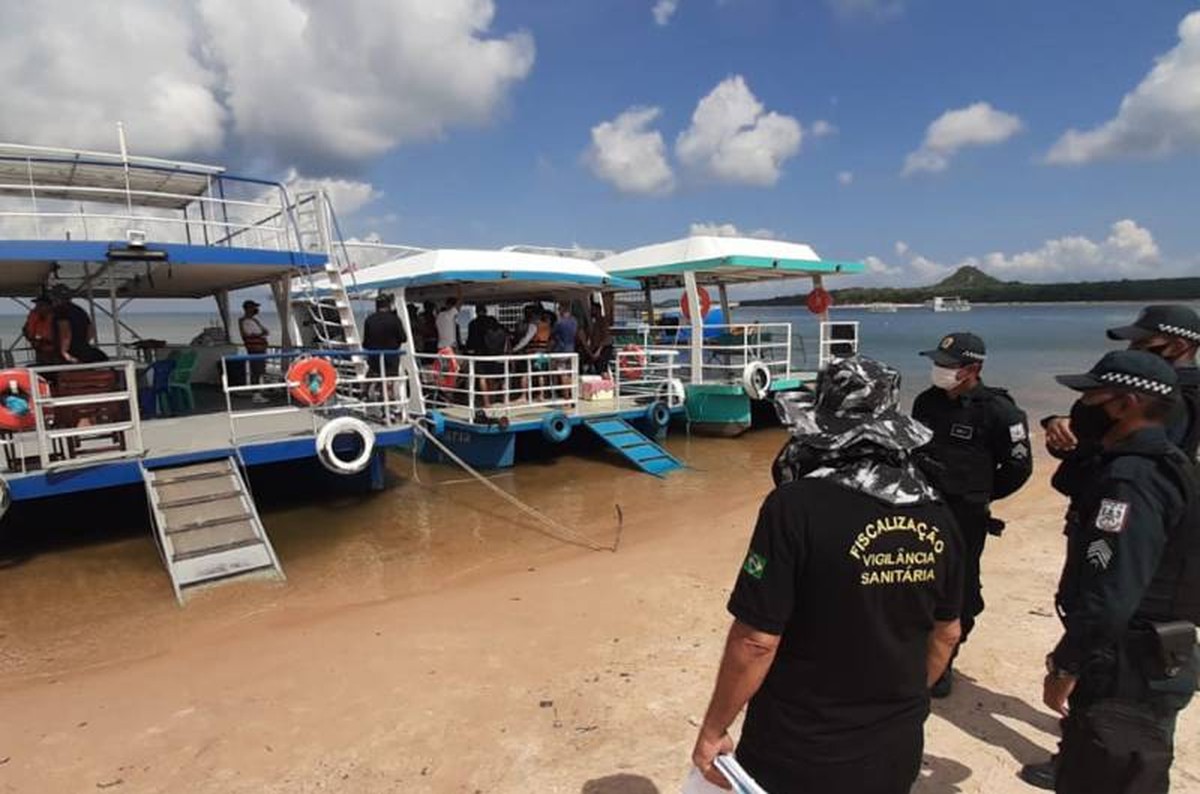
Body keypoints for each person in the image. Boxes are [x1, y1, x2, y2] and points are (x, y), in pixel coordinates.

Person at [691, 356, 964, 794]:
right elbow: (946, 634)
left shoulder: (795, 508)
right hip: (895, 746)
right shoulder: (939, 514)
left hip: (801, 747)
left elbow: (756, 641)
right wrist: (903, 703)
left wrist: (713, 729)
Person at [1032, 351, 1198, 794]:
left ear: (1126, 404)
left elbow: (1111, 593)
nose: (1082, 408)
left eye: (1092, 397)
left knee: (1107, 772)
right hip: (1154, 652)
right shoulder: (1169, 463)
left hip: (1127, 658)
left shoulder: (1131, 482)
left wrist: (1065, 665)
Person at [912, 332, 1033, 697]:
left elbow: (1018, 467)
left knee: (960, 588)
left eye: (948, 366)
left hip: (965, 516)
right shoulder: (926, 402)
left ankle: (945, 660)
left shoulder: (1000, 411)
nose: (940, 370)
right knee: (917, 579)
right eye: (938, 363)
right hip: (923, 506)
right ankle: (917, 648)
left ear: (973, 369)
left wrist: (978, 494)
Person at [1045, 305, 1200, 463]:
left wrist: (1070, 430)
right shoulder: (1166, 389)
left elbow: (1101, 445)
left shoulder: (1169, 397)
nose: (1130, 351)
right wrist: (1062, 424)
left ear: (1177, 347)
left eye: (1140, 344)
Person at [361, 294, 406, 406]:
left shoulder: (369, 320)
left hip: (375, 359)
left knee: (373, 374)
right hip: (391, 359)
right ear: (388, 305)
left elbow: (365, 343)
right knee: (388, 385)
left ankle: (364, 393)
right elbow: (403, 338)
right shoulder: (395, 320)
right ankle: (387, 409)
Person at [465, 304, 508, 408]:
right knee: (492, 377)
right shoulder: (492, 322)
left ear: (476, 312)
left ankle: (486, 402)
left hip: (479, 353)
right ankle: (495, 399)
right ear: (486, 311)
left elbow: (470, 341)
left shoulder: (472, 324)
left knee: (482, 378)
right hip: (493, 353)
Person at [50, 285, 105, 364]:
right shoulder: (80, 310)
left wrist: (64, 352)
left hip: (71, 352)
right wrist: (83, 343)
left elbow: (65, 333)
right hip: (84, 349)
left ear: (54, 298)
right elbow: (91, 331)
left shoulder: (60, 311)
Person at [238, 299, 270, 404]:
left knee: (259, 371)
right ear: (248, 308)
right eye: (254, 307)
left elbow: (265, 332)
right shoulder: (246, 321)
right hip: (255, 350)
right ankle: (256, 394)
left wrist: (263, 333)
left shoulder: (253, 320)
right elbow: (260, 332)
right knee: (256, 371)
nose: (257, 309)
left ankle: (258, 392)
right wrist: (262, 333)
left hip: (259, 349)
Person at [550, 303, 578, 398]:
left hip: (561, 351)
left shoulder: (559, 323)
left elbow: (552, 335)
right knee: (570, 373)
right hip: (571, 350)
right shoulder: (574, 321)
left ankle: (566, 397)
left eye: (559, 310)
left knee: (562, 374)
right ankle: (571, 395)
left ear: (562, 310)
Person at [22, 295, 57, 365]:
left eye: (41, 305)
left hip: (53, 352)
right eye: (37, 305)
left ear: (49, 306)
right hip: (39, 350)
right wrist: (33, 340)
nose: (37, 308)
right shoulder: (34, 317)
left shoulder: (56, 318)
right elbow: (25, 330)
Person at [587, 302, 614, 376]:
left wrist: (598, 350)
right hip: (600, 347)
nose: (591, 311)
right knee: (599, 368)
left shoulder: (602, 321)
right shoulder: (596, 322)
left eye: (593, 309)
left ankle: (607, 384)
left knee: (602, 368)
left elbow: (605, 337)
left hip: (604, 348)